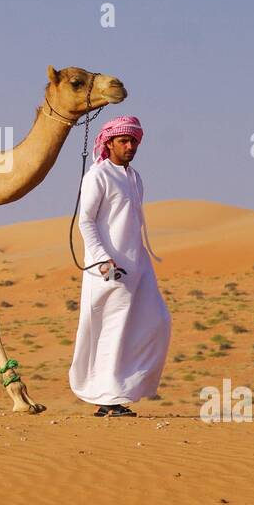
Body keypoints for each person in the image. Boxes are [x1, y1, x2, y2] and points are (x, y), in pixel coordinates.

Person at [69, 115, 171, 417]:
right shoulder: (97, 176)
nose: (130, 146)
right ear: (109, 142)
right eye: (124, 141)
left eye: (134, 141)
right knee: (111, 330)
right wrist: (101, 259)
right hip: (108, 269)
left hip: (137, 264)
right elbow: (85, 221)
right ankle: (107, 399)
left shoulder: (135, 177)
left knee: (157, 322)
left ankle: (126, 388)